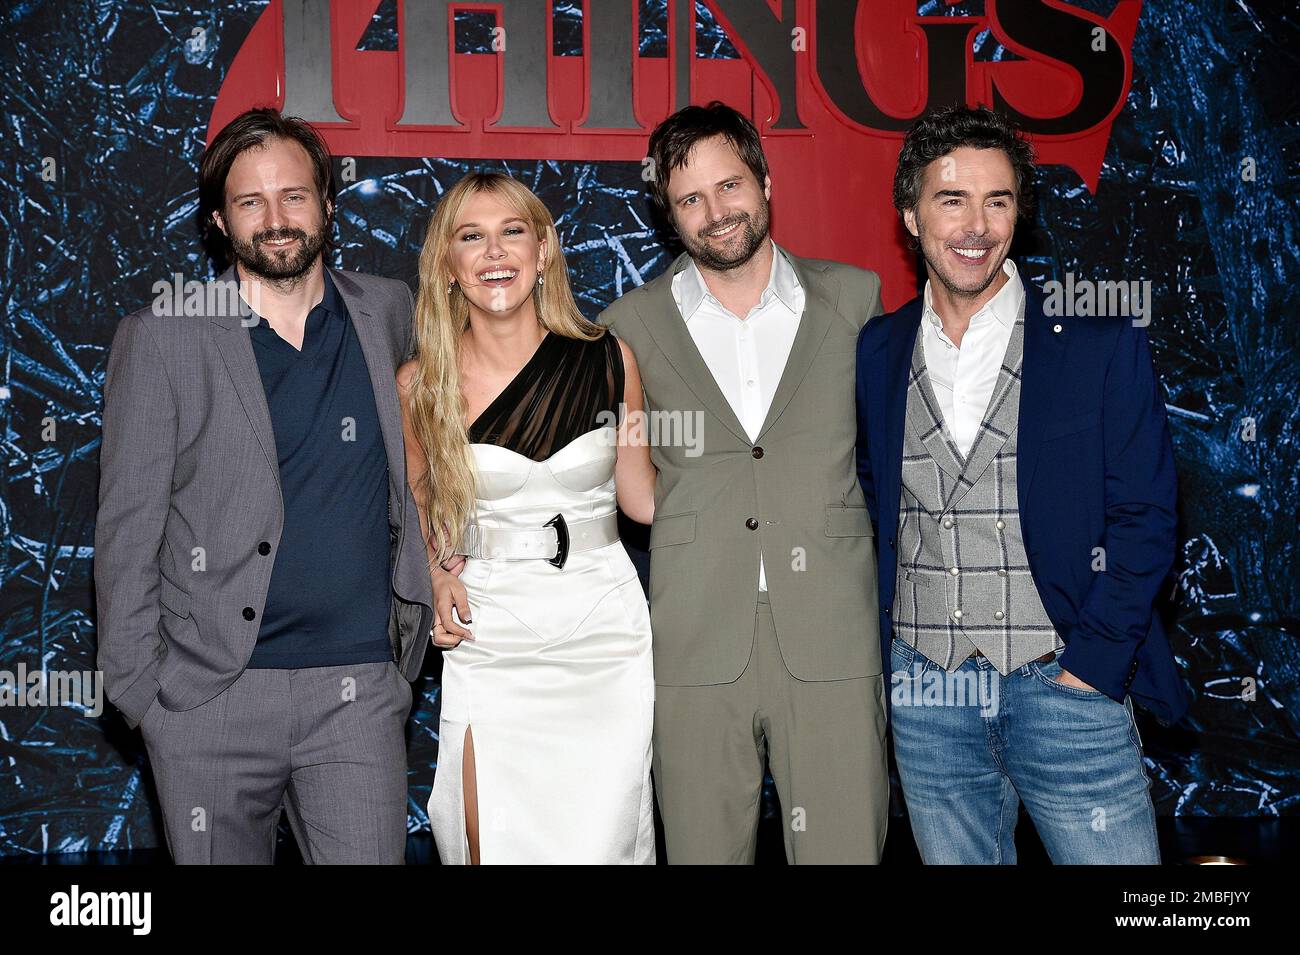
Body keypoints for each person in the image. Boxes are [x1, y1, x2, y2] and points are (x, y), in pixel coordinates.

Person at [94, 108, 434, 863]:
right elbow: (126, 529)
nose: (276, 219)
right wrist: (144, 696)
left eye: (294, 196)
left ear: (328, 202)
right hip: (209, 697)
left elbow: (430, 458)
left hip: (357, 691)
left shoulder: (387, 312)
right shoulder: (164, 335)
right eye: (251, 202)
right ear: (219, 219)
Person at [855, 105, 1190, 864]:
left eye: (997, 201)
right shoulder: (878, 349)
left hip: (1067, 688)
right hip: (928, 697)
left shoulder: (1097, 341)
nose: (976, 225)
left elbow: (1147, 513)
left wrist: (1092, 669)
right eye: (952, 200)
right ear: (911, 213)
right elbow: (883, 501)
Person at [600, 102, 890, 864]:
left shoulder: (856, 301)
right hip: (695, 638)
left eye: (729, 185)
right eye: (690, 198)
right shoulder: (627, 323)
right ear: (669, 214)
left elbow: (887, 462)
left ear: (765, 179)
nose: (715, 212)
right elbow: (632, 485)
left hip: (833, 629)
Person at [400, 172, 658, 864]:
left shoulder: (610, 359)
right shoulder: (422, 382)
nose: (494, 252)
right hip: (492, 633)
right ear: (448, 264)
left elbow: (644, 499)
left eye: (512, 230)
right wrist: (431, 570)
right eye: (471, 236)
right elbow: (416, 500)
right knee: (494, 842)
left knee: (597, 844)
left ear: (543, 250)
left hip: (605, 634)